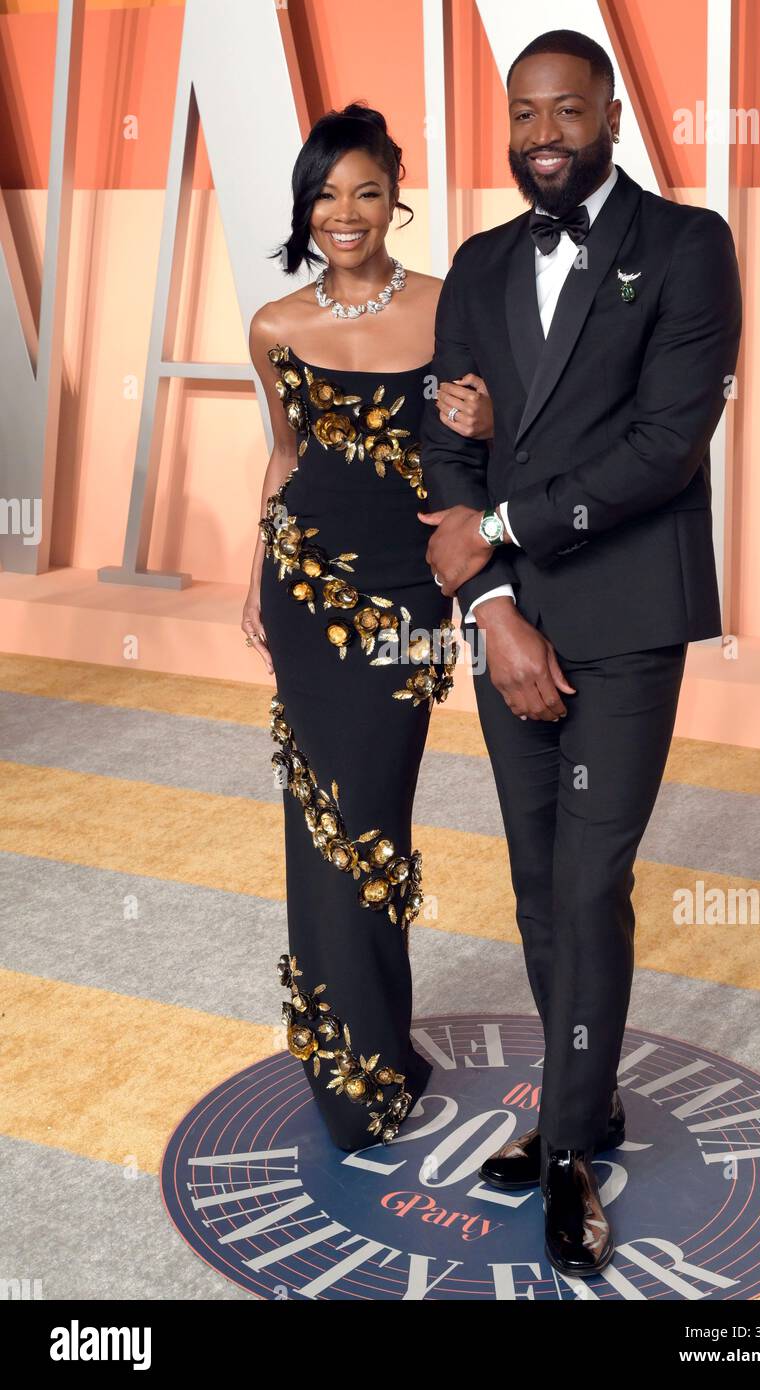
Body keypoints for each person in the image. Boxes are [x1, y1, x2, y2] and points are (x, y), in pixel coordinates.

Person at [420, 29, 742, 1274]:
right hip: (513, 620)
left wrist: (502, 517)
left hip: (623, 619)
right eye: (523, 115)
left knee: (588, 878)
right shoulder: (480, 260)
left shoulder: (686, 244)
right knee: (536, 876)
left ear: (609, 110)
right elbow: (446, 450)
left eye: (566, 110)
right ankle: (585, 1101)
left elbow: (667, 443)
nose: (543, 135)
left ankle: (563, 1155)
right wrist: (493, 605)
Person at [244, 104, 494, 1151]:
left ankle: (378, 1046)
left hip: (404, 593)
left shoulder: (450, 308)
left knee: (372, 814)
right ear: (307, 205)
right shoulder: (273, 325)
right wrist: (254, 570)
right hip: (304, 588)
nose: (345, 214)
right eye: (325, 194)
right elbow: (285, 454)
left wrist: (483, 419)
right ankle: (350, 1065)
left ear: (397, 195)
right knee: (316, 821)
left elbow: (490, 438)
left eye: (366, 192)